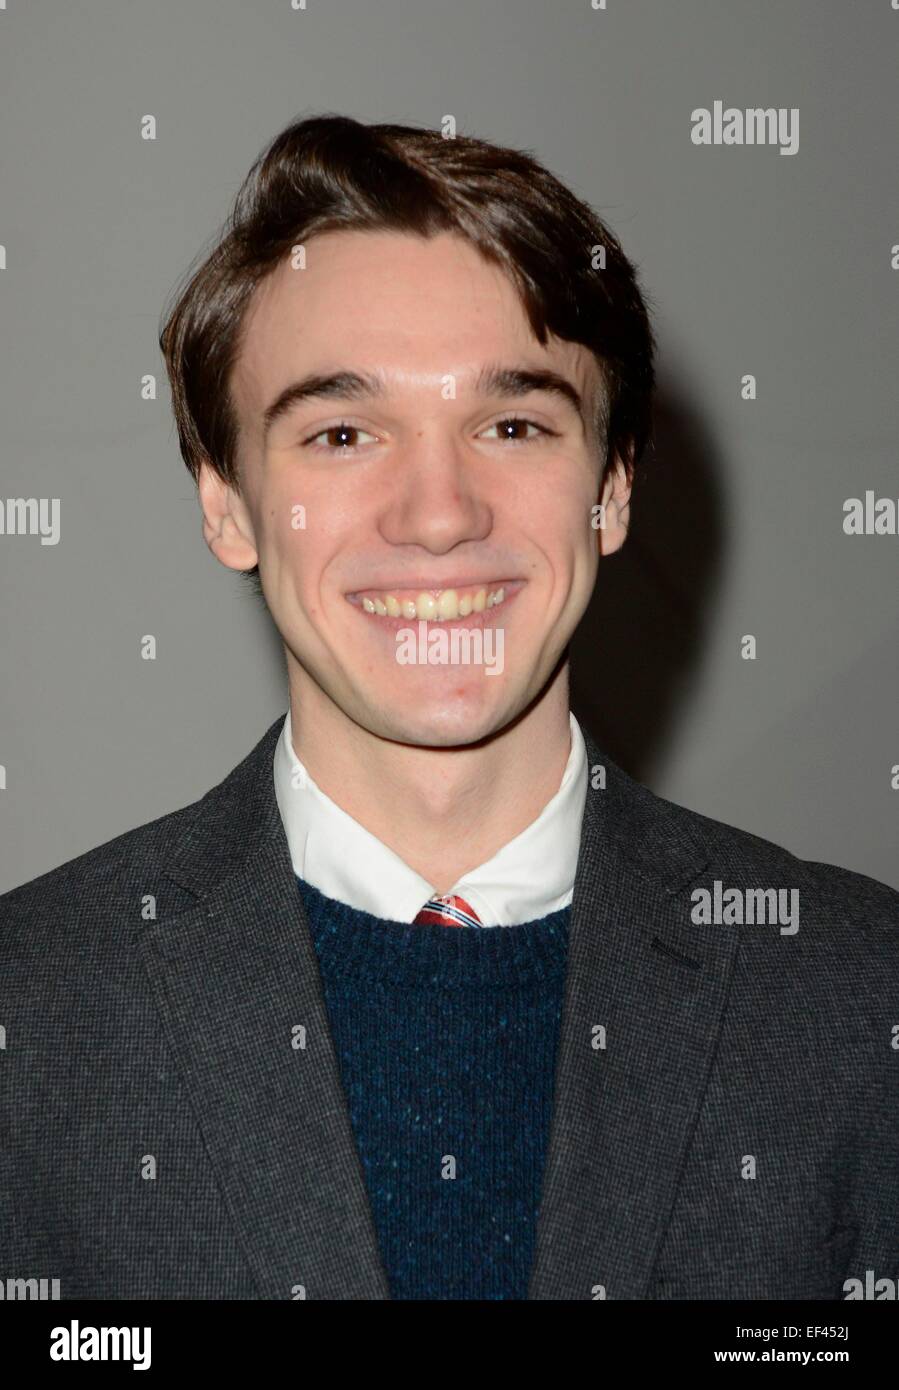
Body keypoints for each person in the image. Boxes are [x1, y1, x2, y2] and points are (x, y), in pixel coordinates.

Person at [1, 114, 896, 1302]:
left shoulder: (854, 996)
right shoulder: (32, 1012)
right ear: (226, 507)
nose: (437, 513)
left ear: (611, 488)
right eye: (340, 432)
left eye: (513, 424)